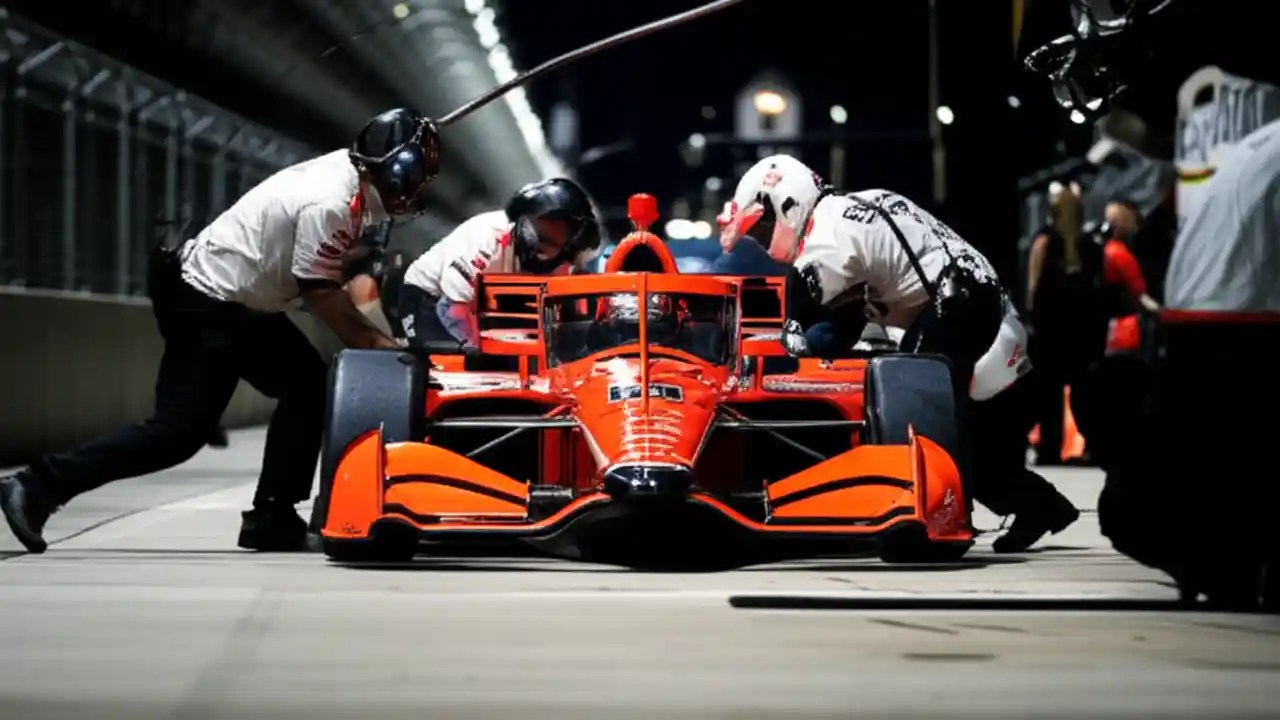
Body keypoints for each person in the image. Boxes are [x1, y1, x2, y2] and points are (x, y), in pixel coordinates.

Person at [0, 106, 436, 555]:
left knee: (307, 385)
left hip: (244, 304)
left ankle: (272, 515)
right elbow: (323, 294)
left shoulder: (349, 173)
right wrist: (382, 348)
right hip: (208, 301)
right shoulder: (330, 203)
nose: (419, 187)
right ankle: (35, 487)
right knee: (176, 433)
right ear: (394, 169)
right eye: (416, 174)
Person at [720, 154, 1080, 553]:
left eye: (764, 225)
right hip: (976, 300)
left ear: (788, 203)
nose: (766, 237)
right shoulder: (859, 204)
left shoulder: (825, 239)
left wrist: (790, 341)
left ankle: (936, 524)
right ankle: (1042, 507)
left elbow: (828, 332)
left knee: (918, 416)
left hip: (953, 308)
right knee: (966, 436)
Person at [398, 177, 603, 349]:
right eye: (545, 224)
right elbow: (452, 308)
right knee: (449, 368)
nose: (550, 234)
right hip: (431, 300)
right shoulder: (488, 238)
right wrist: (481, 348)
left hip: (488, 304)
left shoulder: (569, 258)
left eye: (560, 230)